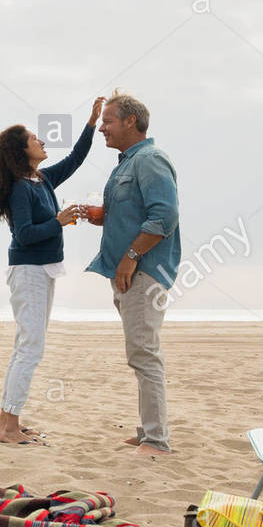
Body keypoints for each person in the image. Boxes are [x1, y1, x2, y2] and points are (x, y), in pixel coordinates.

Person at [0, 97, 106, 445]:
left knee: (24, 347)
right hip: (29, 271)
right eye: (36, 139)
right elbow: (24, 234)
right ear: (23, 151)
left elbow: (76, 159)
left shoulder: (41, 179)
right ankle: (12, 425)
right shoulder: (21, 187)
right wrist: (58, 221)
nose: (43, 142)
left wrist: (92, 122)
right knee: (31, 349)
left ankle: (6, 423)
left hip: (40, 270)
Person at [86, 91, 181, 456]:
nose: (102, 129)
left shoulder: (151, 159)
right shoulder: (127, 162)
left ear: (130, 121)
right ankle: (147, 432)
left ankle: (157, 440)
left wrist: (130, 256)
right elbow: (137, 213)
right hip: (126, 272)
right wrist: (103, 215)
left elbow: (164, 217)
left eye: (107, 121)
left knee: (144, 354)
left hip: (143, 272)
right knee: (140, 354)